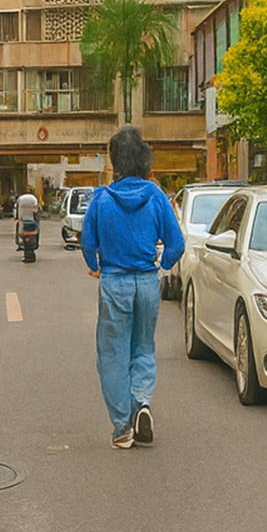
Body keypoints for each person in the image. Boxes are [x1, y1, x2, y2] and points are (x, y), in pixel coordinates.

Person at [81, 126, 185, 449]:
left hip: (114, 282)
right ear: (143, 160)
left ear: (115, 162)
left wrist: (96, 264)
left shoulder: (101, 199)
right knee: (143, 347)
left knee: (112, 355)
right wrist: (163, 264)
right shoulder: (155, 196)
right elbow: (176, 244)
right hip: (147, 283)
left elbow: (87, 242)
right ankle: (142, 402)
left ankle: (123, 426)